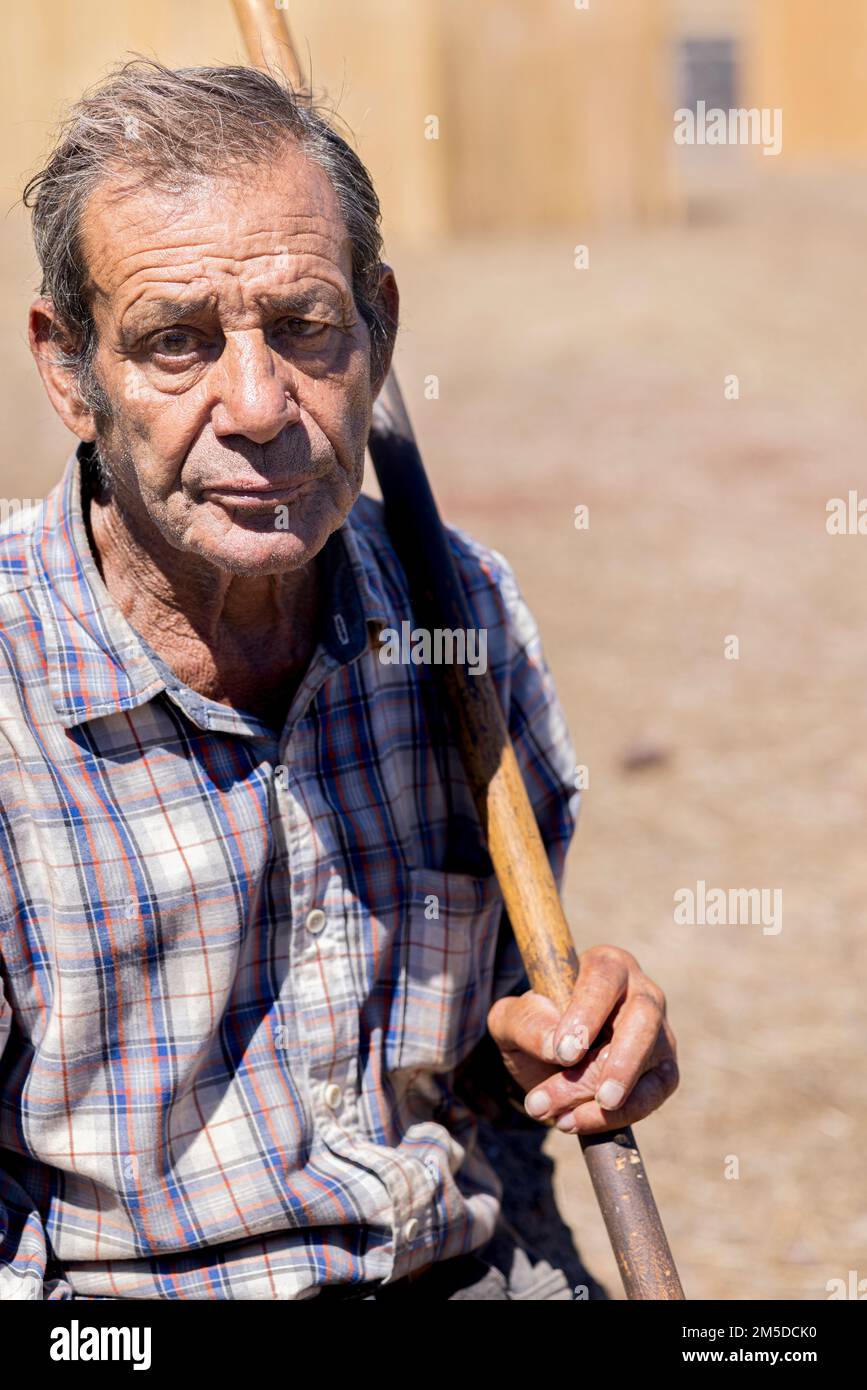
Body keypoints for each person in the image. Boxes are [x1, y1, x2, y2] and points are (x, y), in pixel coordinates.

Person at [0, 60, 678, 1299]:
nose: (260, 405)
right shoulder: (9, 685)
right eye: (175, 343)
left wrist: (554, 1045)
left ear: (380, 327)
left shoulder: (456, 612)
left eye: (305, 326)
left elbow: (480, 1079)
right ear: (68, 371)